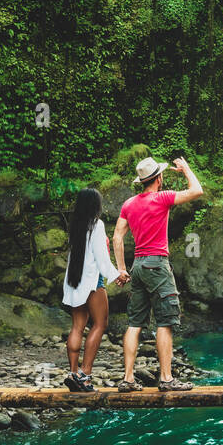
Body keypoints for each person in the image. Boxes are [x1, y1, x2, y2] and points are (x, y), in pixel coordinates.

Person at [113, 155, 203, 391]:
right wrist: (186, 170)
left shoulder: (129, 204)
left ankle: (128, 379)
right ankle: (166, 379)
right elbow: (197, 191)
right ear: (159, 178)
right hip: (157, 264)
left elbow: (117, 237)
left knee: (135, 323)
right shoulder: (162, 198)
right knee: (165, 321)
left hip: (138, 265)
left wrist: (121, 268)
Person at [61, 188, 127, 391]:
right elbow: (101, 257)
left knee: (77, 327)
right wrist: (117, 274)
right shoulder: (96, 225)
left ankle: (73, 374)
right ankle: (85, 374)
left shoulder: (76, 225)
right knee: (100, 324)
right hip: (92, 282)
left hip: (75, 281)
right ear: (94, 205)